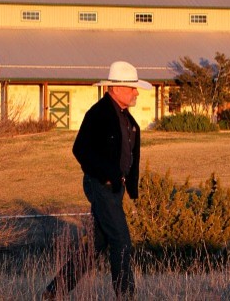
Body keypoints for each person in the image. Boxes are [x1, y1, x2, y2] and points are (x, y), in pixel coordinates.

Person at [43, 61, 151, 300]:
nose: (136, 93)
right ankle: (126, 295)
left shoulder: (125, 117)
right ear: (115, 88)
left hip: (114, 189)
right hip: (101, 186)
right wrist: (107, 176)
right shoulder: (99, 113)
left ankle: (53, 293)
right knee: (121, 240)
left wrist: (126, 184)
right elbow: (80, 149)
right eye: (132, 88)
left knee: (96, 245)